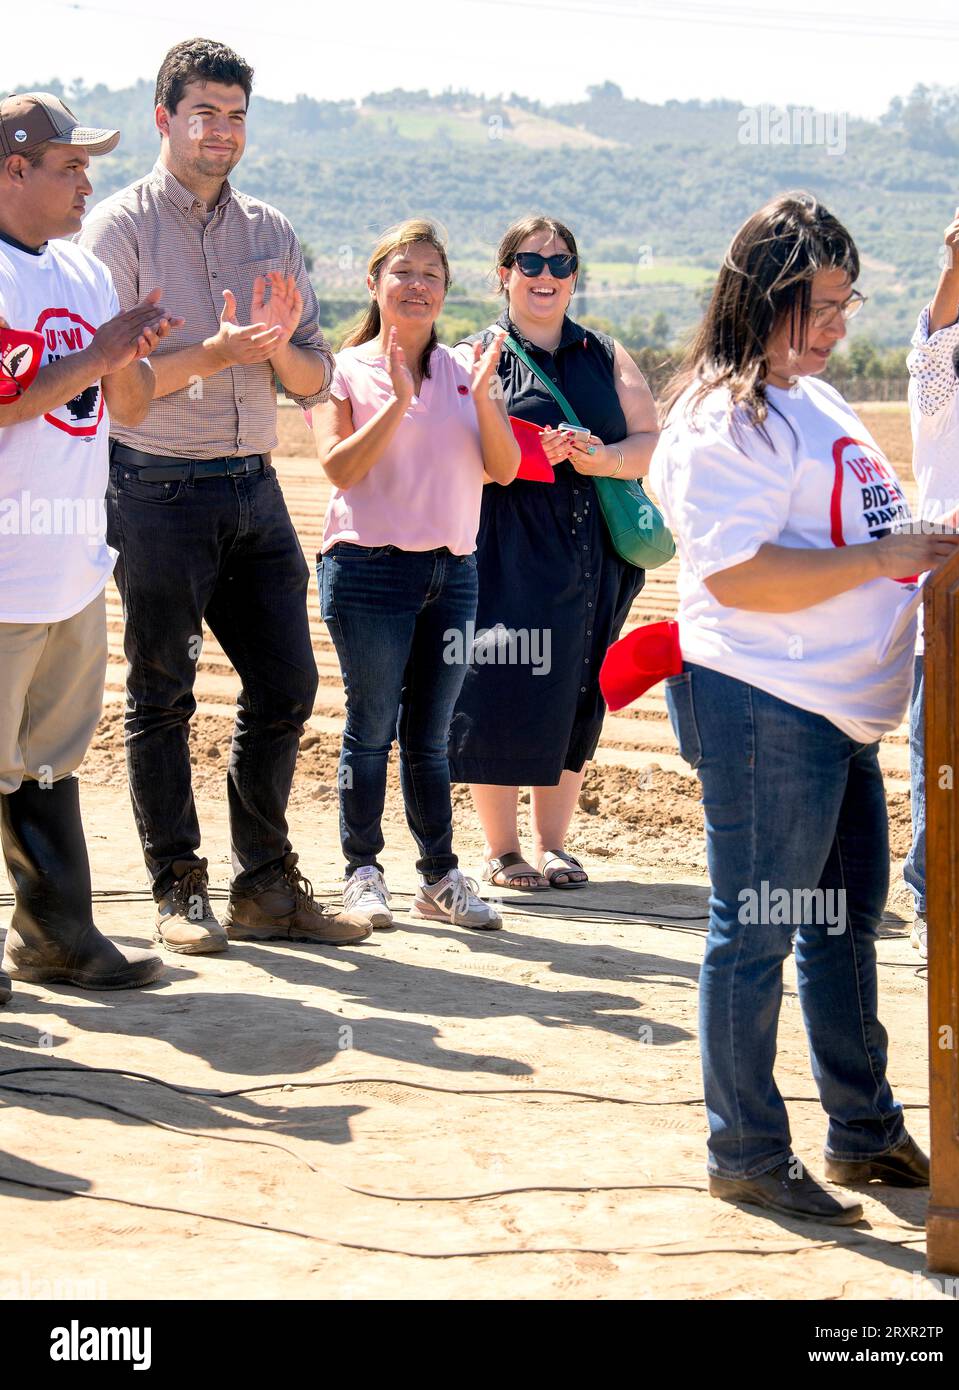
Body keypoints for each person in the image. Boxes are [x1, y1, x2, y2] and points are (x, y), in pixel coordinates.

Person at [651, 191, 959, 1224]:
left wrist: (932, 531)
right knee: (758, 928)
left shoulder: (816, 401)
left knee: (840, 927)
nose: (837, 325)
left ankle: (862, 1133)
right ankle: (744, 1148)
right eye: (820, 305)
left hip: (838, 714)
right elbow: (736, 573)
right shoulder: (720, 415)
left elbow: (864, 521)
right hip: (764, 705)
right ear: (765, 294)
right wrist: (882, 556)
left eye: (847, 302)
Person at [77, 38, 373, 952]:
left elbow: (316, 378)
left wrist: (277, 345)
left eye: (236, 115)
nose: (222, 132)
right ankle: (177, 887)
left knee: (287, 685)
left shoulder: (271, 232)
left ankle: (265, 886)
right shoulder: (118, 231)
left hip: (254, 486)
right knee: (161, 692)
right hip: (154, 488)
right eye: (204, 113)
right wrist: (215, 353)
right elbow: (119, 391)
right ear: (164, 118)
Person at [0, 91, 181, 1004]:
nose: (86, 182)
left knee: (47, 759)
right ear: (12, 170)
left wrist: (133, 352)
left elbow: (132, 405)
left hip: (68, 564)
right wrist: (100, 352)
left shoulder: (82, 273)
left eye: (88, 165)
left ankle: (56, 937)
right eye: (69, 165)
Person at [311, 221, 519, 931]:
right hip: (367, 570)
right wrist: (397, 401)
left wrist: (488, 400)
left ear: (444, 291)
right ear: (374, 285)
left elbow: (504, 469)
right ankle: (362, 871)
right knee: (370, 728)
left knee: (430, 737)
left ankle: (440, 877)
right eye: (403, 270)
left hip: (451, 573)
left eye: (431, 272)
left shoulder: (467, 368)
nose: (418, 283)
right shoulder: (344, 370)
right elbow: (337, 467)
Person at [448, 216, 659, 891]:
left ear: (574, 275)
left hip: (593, 549)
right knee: (500, 686)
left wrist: (601, 459)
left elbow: (649, 441)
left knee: (576, 687)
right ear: (503, 274)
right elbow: (449, 457)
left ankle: (552, 844)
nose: (545, 276)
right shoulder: (471, 354)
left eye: (559, 263)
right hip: (504, 545)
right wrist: (524, 457)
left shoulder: (605, 353)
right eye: (530, 262)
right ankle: (502, 850)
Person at [903, 207, 959, 963]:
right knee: (942, 752)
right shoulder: (942, 394)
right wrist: (951, 265)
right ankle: (933, 892)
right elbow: (931, 348)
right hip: (949, 602)